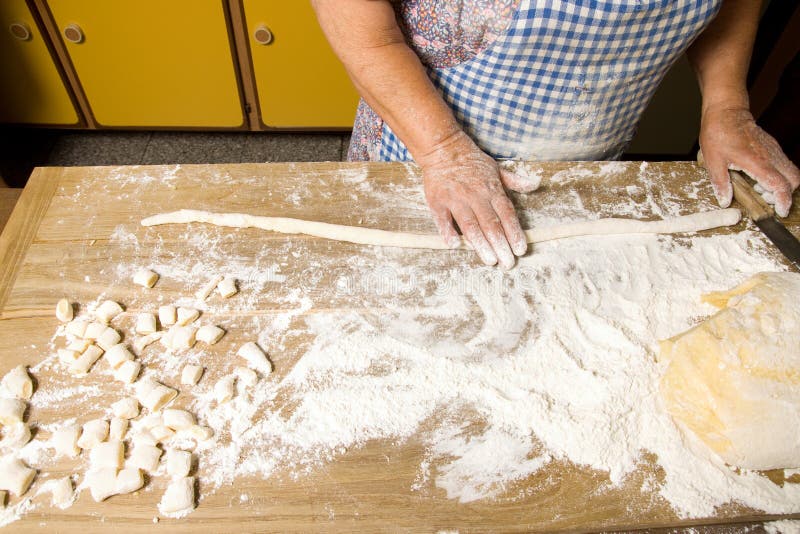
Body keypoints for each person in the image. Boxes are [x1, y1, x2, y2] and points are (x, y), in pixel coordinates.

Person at [312, 0, 800, 269]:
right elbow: (363, 32)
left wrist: (726, 106)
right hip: (425, 150)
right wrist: (444, 153)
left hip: (585, 156)